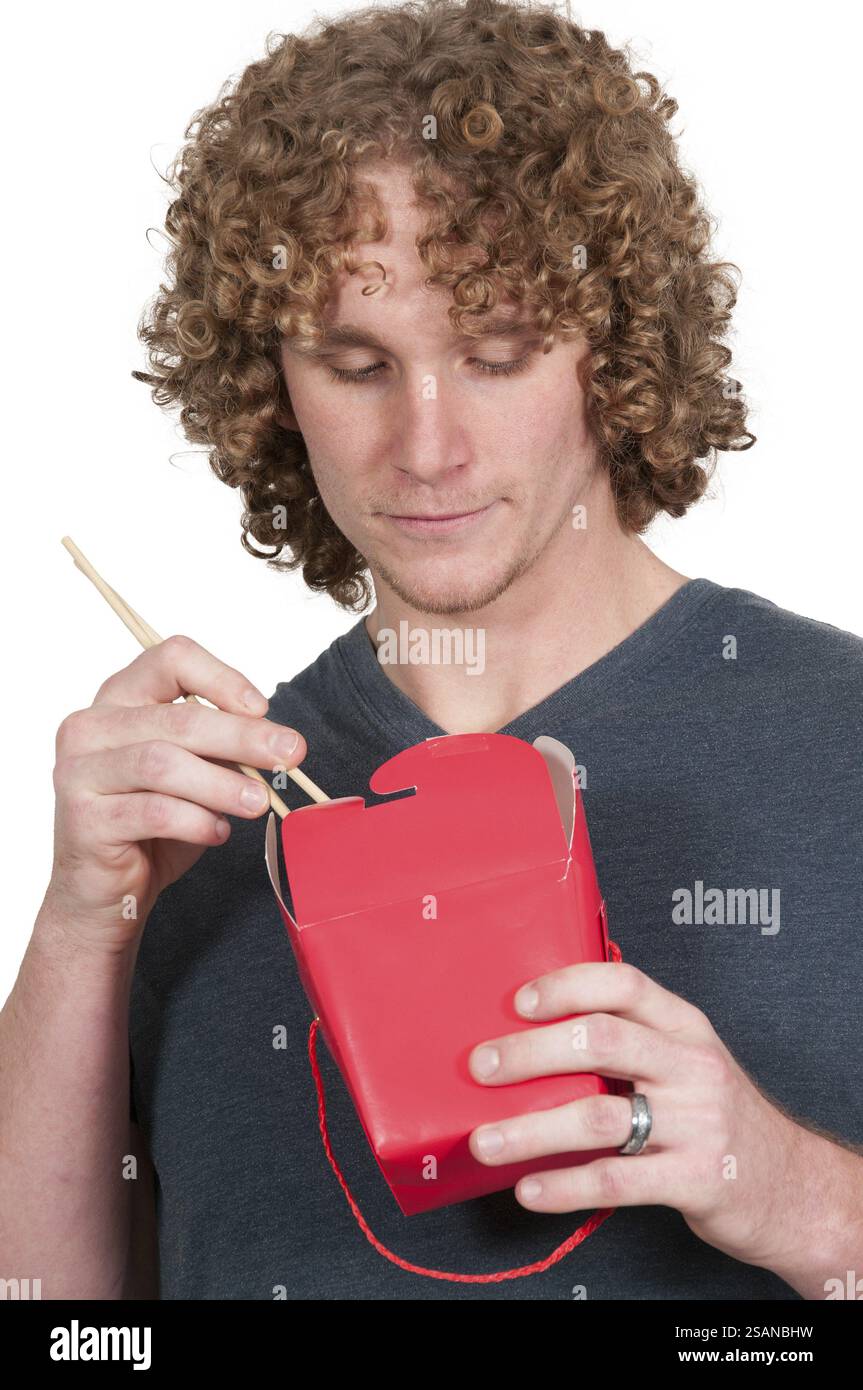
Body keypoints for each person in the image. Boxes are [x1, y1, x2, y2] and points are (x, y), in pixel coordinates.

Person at [2, 0, 861, 1301]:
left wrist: (803, 1198)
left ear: (614, 352)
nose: (428, 446)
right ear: (270, 379)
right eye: (356, 363)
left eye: (497, 352)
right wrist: (79, 928)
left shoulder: (839, 746)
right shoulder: (195, 828)